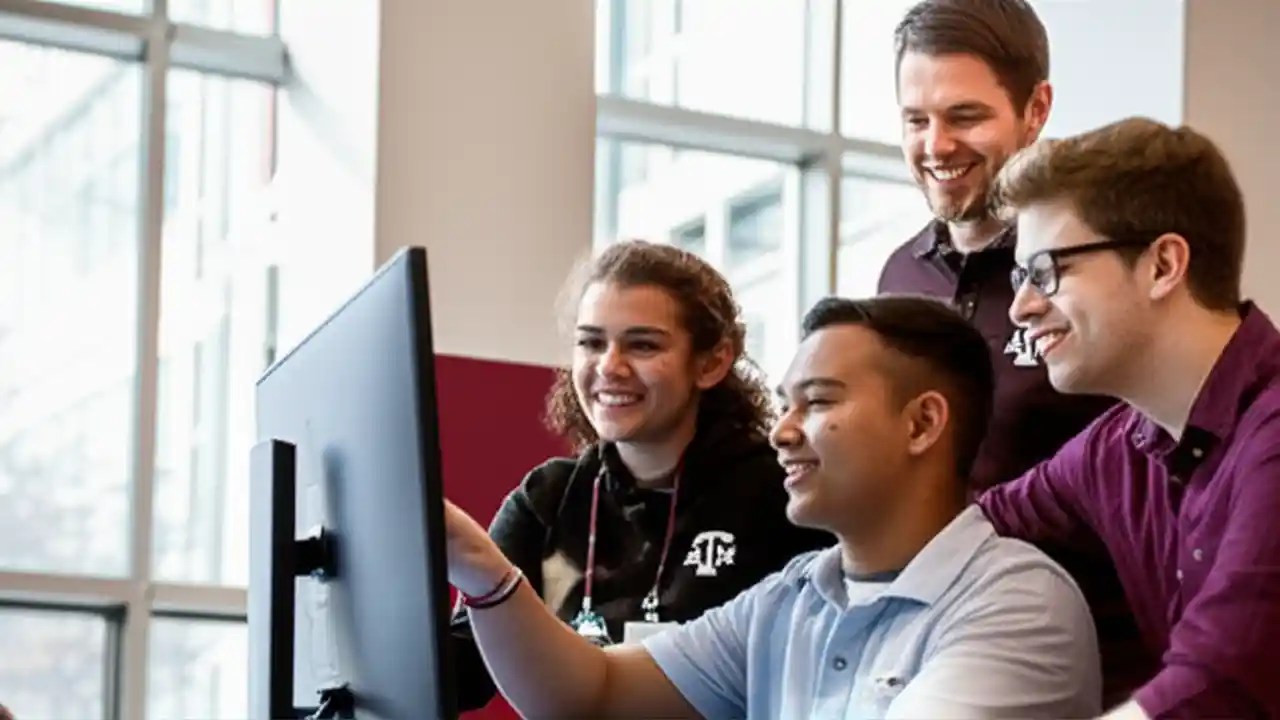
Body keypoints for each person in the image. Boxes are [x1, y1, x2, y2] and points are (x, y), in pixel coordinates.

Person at [445, 295, 1101, 719]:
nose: (783, 432)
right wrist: (479, 567)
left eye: (817, 402)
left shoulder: (1016, 602)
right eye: (786, 404)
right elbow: (591, 694)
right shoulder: (791, 599)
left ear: (922, 423)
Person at [877, 0, 1146, 699]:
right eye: (915, 120)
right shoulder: (897, 276)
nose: (936, 145)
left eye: (965, 117)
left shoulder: (1097, 272)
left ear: (1036, 109)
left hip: (1095, 657)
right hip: (929, 647)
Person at [448, 240, 832, 711]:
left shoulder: (784, 494)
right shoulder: (549, 498)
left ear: (712, 362)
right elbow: (462, 669)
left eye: (643, 345)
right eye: (591, 343)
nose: (610, 366)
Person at [980, 116, 1280, 718]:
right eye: (1020, 277)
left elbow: (1219, 689)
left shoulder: (1271, 434)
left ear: (1163, 265)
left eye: (1046, 272)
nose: (1020, 308)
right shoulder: (1117, 447)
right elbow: (978, 525)